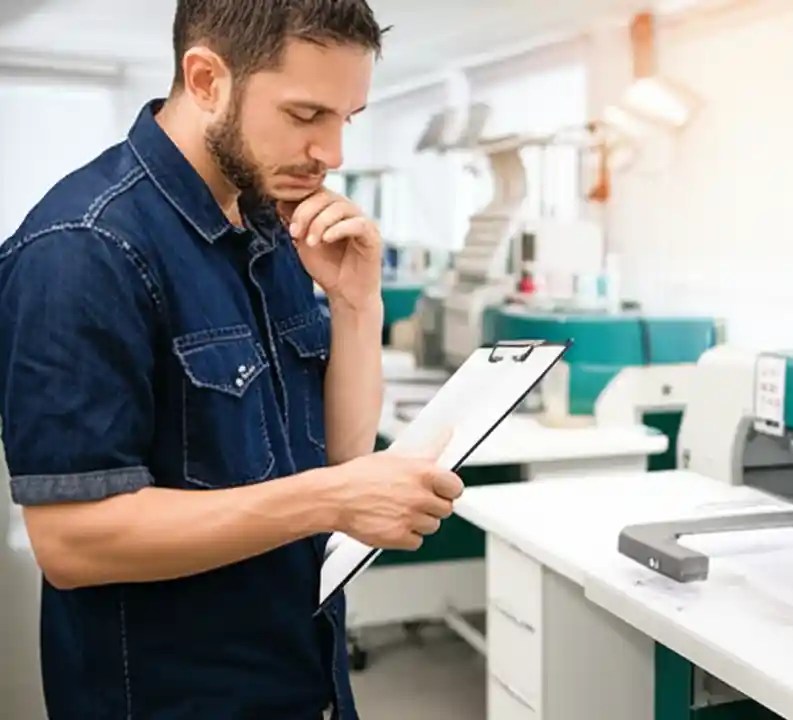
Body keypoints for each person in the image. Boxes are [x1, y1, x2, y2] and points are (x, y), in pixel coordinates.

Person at [0, 1, 463, 718]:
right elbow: (72, 541)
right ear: (207, 78)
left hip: (302, 677)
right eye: (307, 115)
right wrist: (330, 502)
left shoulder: (272, 223)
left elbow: (337, 452)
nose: (333, 153)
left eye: (349, 118)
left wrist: (356, 305)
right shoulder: (82, 249)